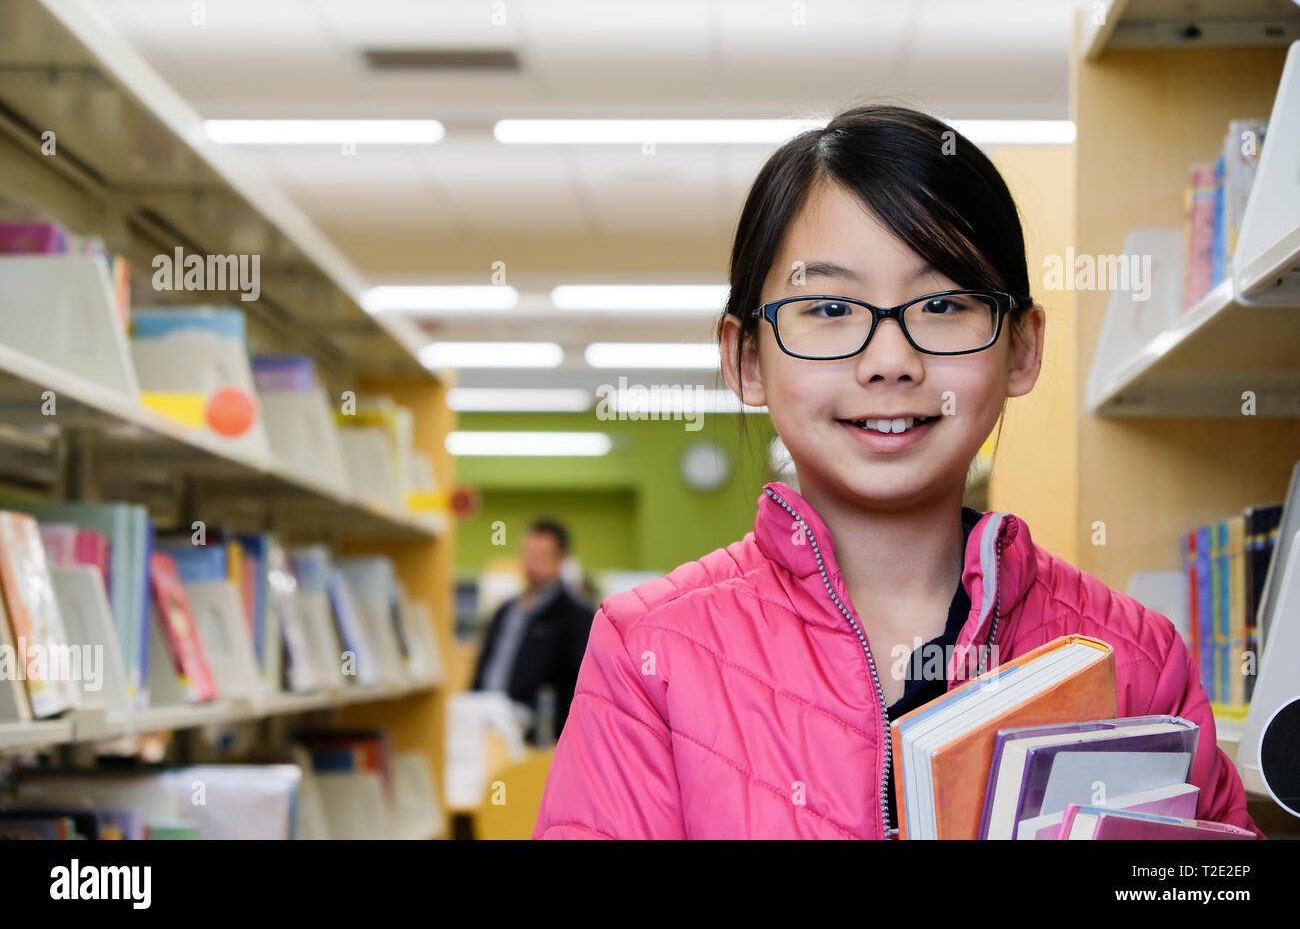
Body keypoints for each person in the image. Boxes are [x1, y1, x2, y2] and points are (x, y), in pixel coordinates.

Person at [533, 103, 1265, 839]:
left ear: (1023, 347)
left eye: (944, 303)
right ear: (746, 359)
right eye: (828, 308)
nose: (890, 362)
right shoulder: (651, 654)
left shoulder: (1139, 659)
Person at [471, 519, 595, 746]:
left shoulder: (577, 617)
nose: (531, 562)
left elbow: (580, 682)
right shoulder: (505, 610)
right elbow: (484, 664)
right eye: (528, 553)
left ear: (561, 559)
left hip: (536, 735)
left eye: (541, 555)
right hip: (484, 723)